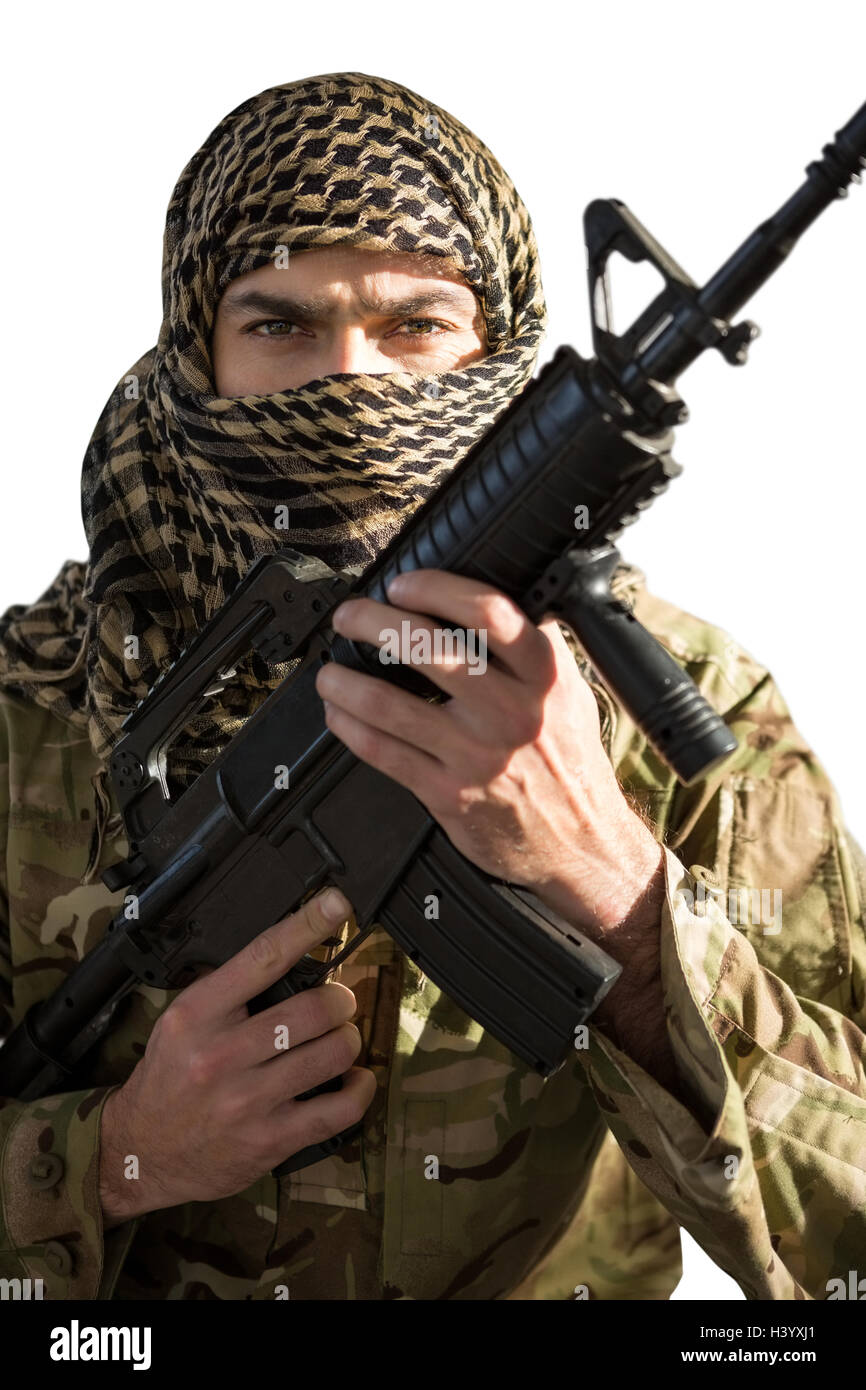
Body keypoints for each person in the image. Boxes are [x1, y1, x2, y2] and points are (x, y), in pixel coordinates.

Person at [0, 71, 863, 1302]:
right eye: (281, 325)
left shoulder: (692, 720)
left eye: (414, 327)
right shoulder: (28, 721)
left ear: (496, 353)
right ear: (198, 353)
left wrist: (612, 887)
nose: (354, 385)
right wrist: (112, 1157)